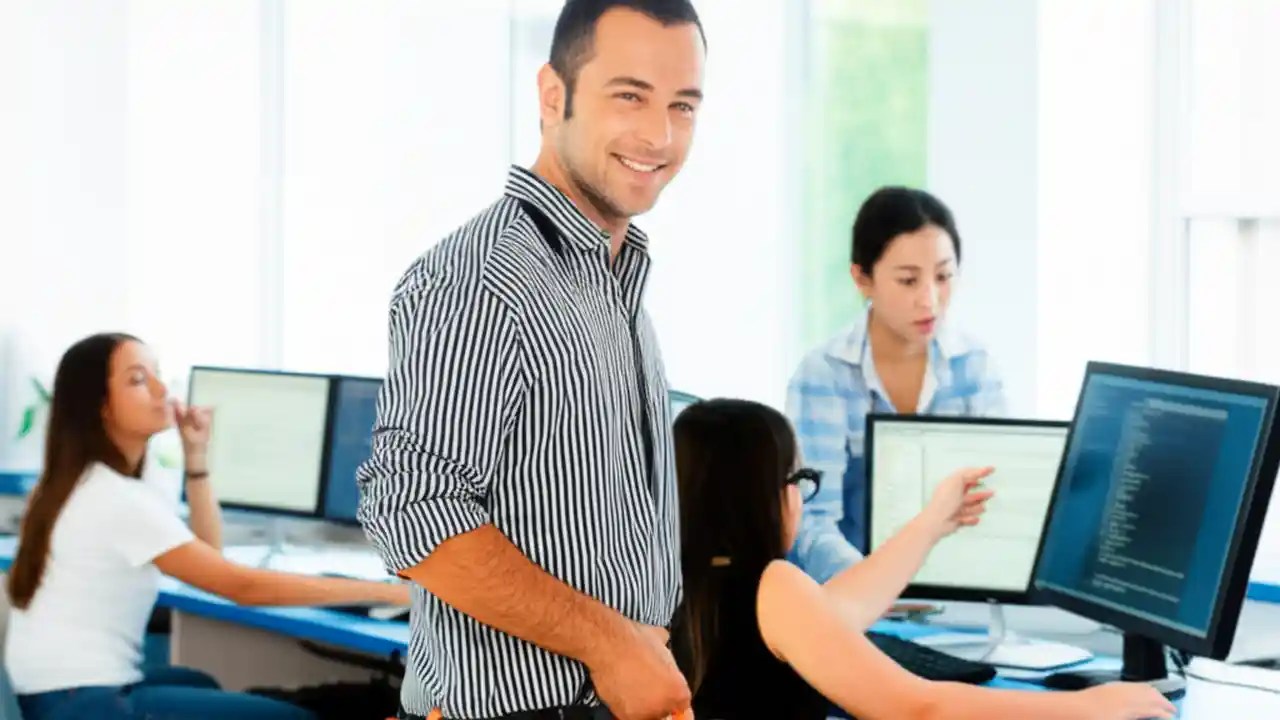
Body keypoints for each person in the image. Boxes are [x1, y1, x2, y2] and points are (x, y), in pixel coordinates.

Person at [354, 2, 706, 719]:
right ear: (554, 96)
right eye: (629, 96)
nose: (660, 135)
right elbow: (413, 508)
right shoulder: (481, 280)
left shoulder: (614, 275)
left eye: (683, 106)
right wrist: (611, 646)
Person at [671, 398, 1177, 720]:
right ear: (761, 494)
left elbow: (839, 610)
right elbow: (919, 707)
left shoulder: (683, 578)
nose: (802, 497)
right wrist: (1085, 708)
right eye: (799, 481)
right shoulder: (774, 587)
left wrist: (935, 520)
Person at [4, 333, 410, 720]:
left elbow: (209, 557)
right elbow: (239, 586)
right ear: (100, 406)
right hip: (81, 704)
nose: (163, 390)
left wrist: (195, 458)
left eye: (158, 373)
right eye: (139, 380)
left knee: (200, 681)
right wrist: (388, 591)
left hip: (54, 695)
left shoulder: (88, 483)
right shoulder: (116, 499)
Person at [788, 186, 1007, 583]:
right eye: (908, 281)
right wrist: (875, 585)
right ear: (862, 278)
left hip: (956, 592)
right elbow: (813, 520)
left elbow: (993, 502)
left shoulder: (975, 366)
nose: (930, 300)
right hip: (854, 596)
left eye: (943, 276)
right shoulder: (823, 374)